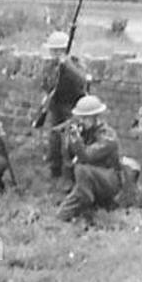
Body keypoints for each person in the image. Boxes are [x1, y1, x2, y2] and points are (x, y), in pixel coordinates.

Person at [56, 95, 125, 224]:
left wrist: (76, 139)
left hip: (110, 179)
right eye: (80, 118)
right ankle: (83, 203)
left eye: (85, 118)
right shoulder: (87, 131)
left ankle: (74, 206)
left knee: (82, 170)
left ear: (95, 117)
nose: (81, 121)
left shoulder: (108, 137)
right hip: (95, 177)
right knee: (79, 169)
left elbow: (86, 156)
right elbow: (69, 160)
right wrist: (68, 139)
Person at [39, 29, 90, 180]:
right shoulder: (50, 65)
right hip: (56, 104)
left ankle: (70, 174)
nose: (52, 53)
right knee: (54, 138)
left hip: (73, 105)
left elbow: (82, 80)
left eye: (55, 50)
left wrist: (66, 64)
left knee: (69, 141)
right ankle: (54, 170)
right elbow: (45, 83)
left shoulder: (75, 63)